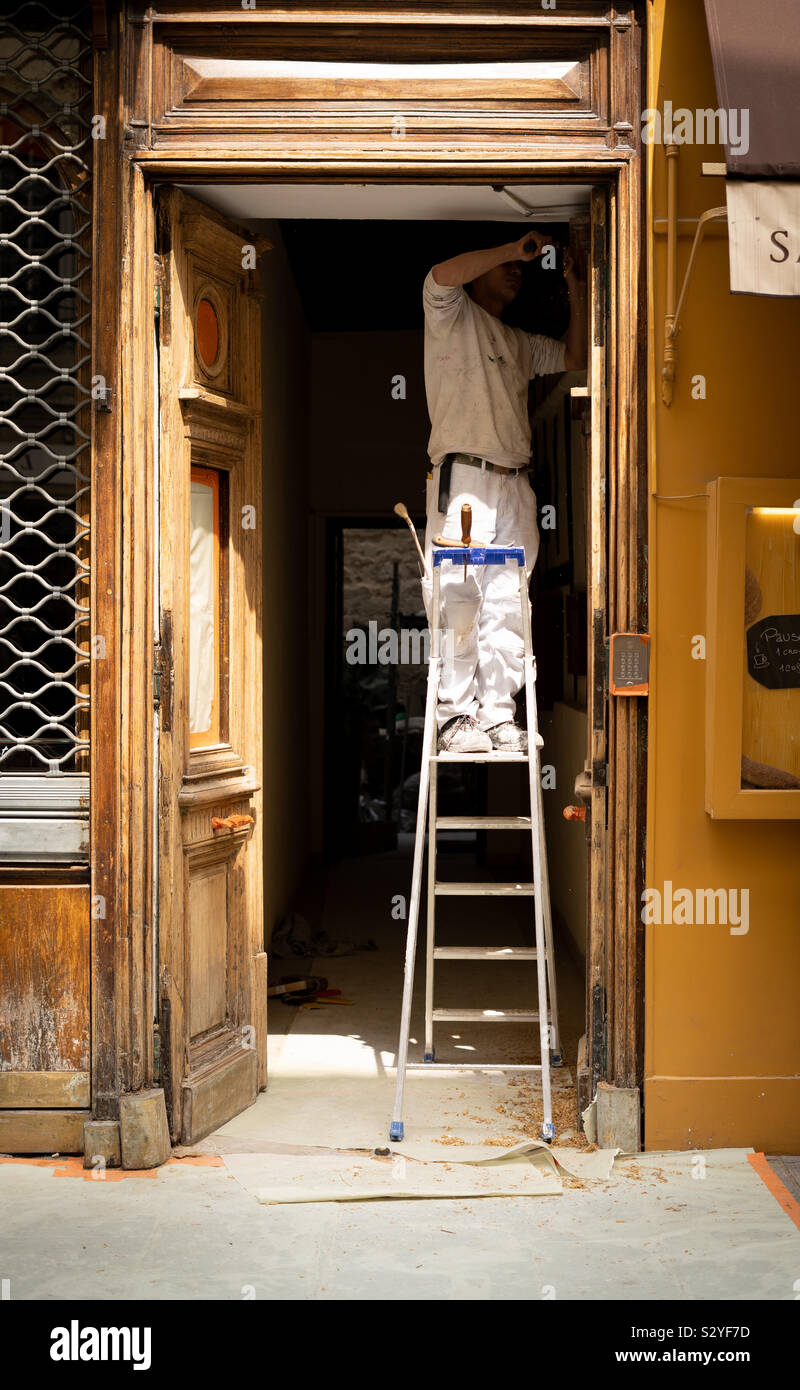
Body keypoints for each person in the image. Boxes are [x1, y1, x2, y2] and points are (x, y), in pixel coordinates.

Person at [421, 231, 587, 753]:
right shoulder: (451, 317)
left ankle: (496, 715)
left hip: (515, 480)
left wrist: (577, 288)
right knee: (458, 592)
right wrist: (511, 249)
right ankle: (454, 717)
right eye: (508, 266)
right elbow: (440, 275)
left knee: (508, 599)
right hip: (465, 474)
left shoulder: (516, 341)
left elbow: (577, 356)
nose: (518, 272)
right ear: (483, 267)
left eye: (520, 267)